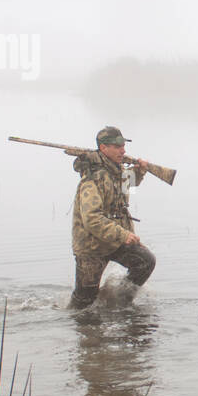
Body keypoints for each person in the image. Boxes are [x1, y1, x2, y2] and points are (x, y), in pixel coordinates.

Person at [69, 125, 157, 309]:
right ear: (103, 148)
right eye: (117, 147)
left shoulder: (115, 171)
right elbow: (92, 219)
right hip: (91, 247)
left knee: (145, 261)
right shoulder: (92, 179)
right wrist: (123, 235)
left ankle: (118, 302)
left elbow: (126, 189)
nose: (123, 150)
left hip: (113, 242)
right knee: (83, 304)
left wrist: (139, 171)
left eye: (123, 146)